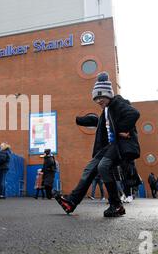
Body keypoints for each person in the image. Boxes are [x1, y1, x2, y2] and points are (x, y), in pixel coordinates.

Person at [55, 72, 140, 217]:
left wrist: (121, 129)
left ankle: (116, 205)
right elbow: (99, 122)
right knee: (89, 169)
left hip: (117, 146)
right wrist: (79, 120)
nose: (99, 100)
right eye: (96, 98)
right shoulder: (106, 109)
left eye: (101, 97)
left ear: (109, 94)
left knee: (103, 166)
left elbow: (134, 114)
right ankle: (71, 202)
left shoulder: (118, 103)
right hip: (107, 147)